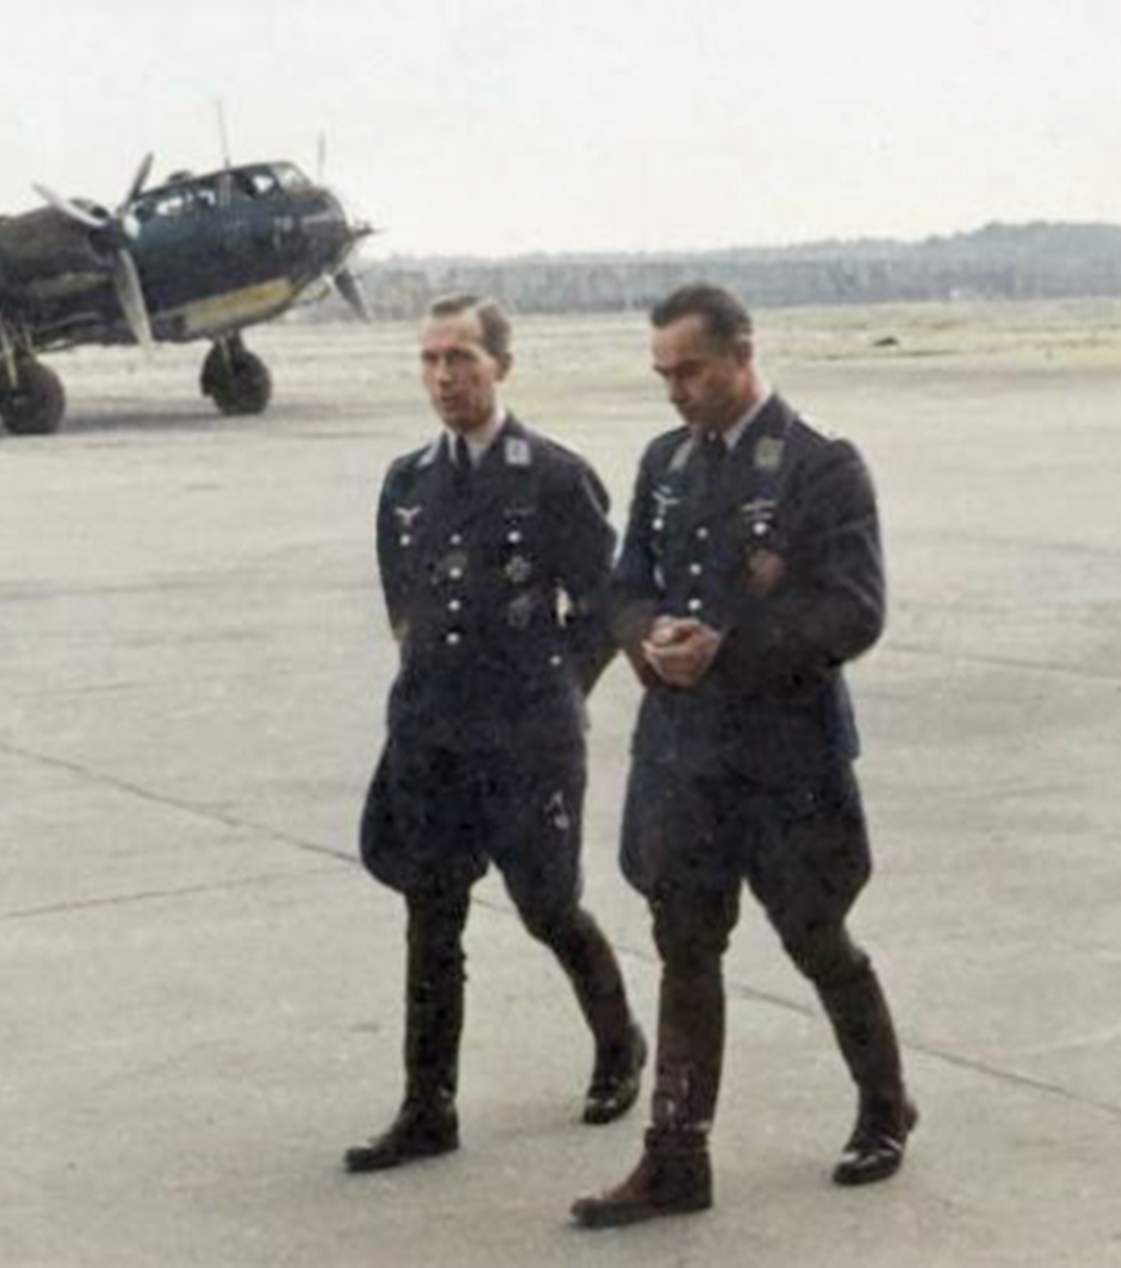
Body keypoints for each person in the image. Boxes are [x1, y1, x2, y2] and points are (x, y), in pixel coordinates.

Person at [571, 283, 915, 1228]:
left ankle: (885, 1106)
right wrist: (647, 639)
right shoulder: (666, 462)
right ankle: (676, 1156)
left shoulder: (820, 465)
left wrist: (731, 643)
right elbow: (625, 584)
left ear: (742, 352)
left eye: (692, 371)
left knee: (815, 938)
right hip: (685, 755)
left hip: (786, 760)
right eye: (662, 375)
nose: (675, 391)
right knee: (686, 945)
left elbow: (855, 610)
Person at [346, 294, 646, 1173]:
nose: (444, 377)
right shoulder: (407, 481)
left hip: (525, 738)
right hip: (432, 736)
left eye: (462, 359)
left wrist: (556, 691)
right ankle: (426, 1107)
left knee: (548, 906)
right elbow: (405, 608)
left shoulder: (553, 475)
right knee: (430, 918)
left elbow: (605, 607)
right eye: (431, 360)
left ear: (501, 367)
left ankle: (620, 1041)